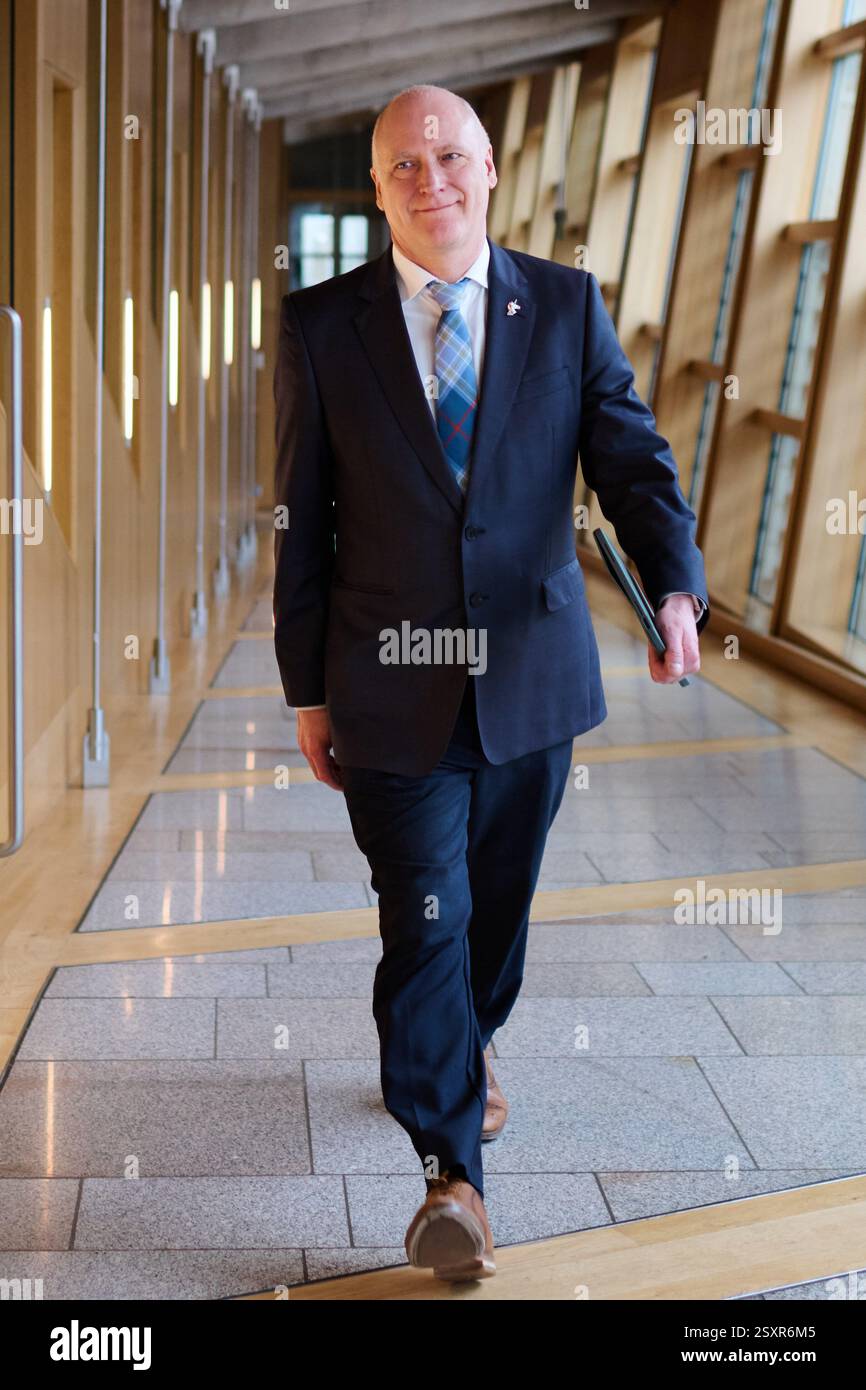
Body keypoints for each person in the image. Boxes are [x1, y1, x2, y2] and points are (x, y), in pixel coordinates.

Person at [273, 84, 708, 1282]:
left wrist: (673, 586)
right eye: (404, 164)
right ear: (376, 188)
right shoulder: (321, 325)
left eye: (451, 155)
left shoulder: (561, 305)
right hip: (385, 683)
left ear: (490, 168)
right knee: (426, 918)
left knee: (495, 914)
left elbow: (629, 453)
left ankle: (471, 1041)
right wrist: (306, 688)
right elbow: (301, 524)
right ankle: (448, 1175)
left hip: (528, 677)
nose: (433, 180)